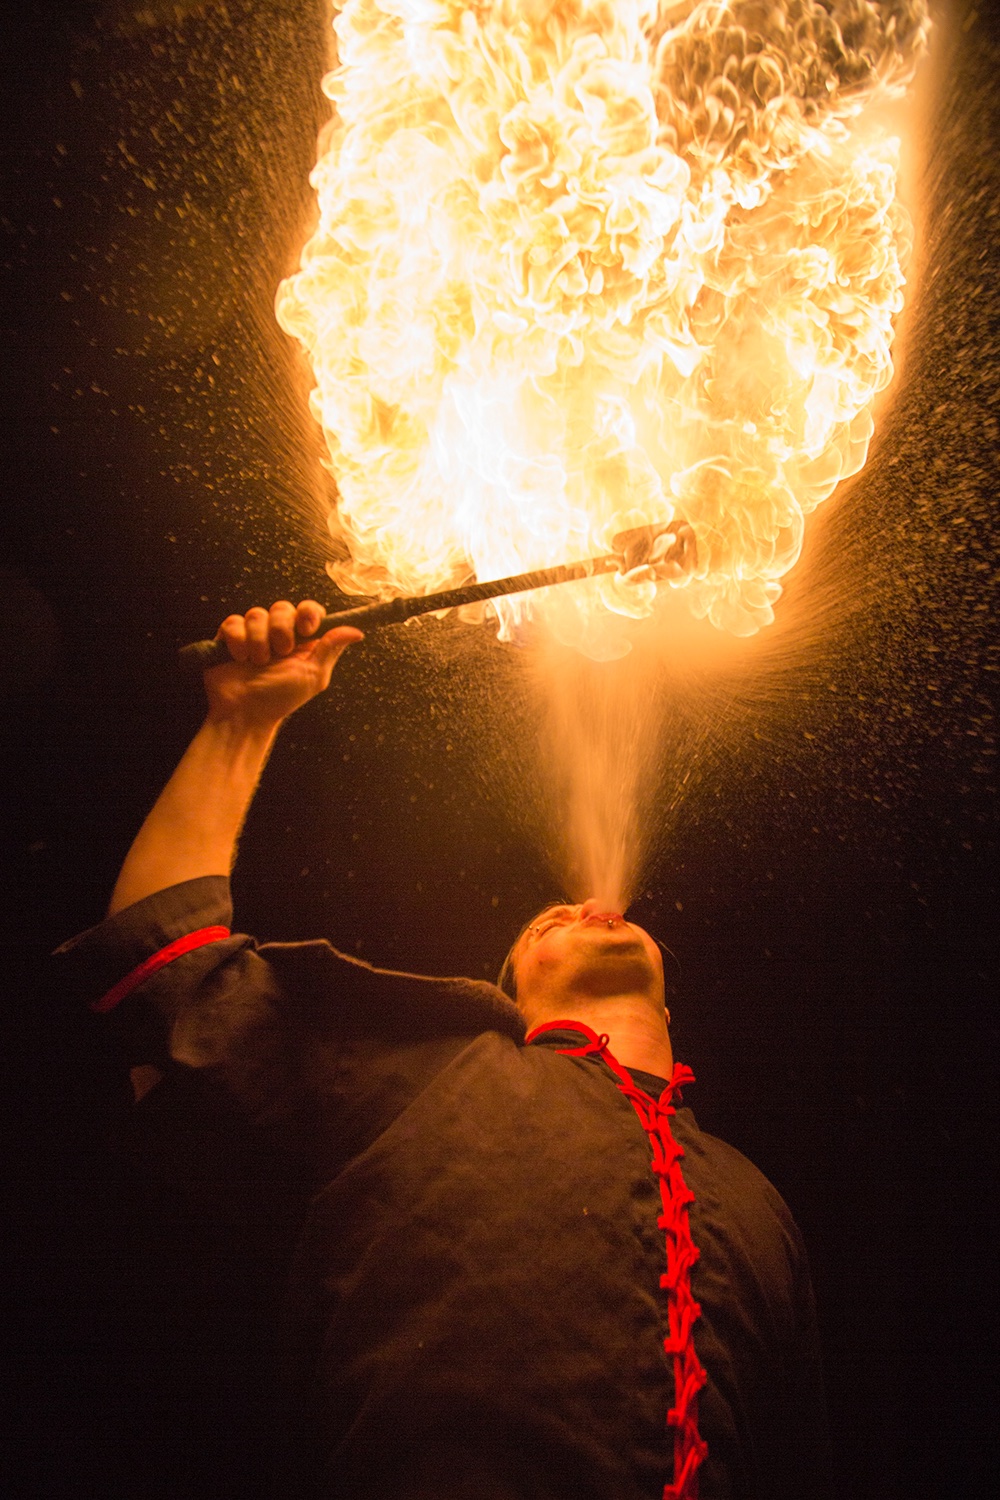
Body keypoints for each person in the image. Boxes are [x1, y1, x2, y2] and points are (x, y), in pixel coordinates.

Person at [57, 600, 833, 1500]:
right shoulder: (440, 1073)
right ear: (513, 995)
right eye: (546, 922)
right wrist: (241, 722)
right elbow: (162, 969)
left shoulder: (758, 1200)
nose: (586, 906)